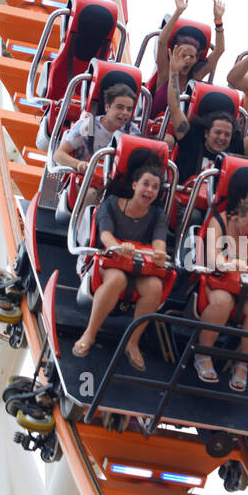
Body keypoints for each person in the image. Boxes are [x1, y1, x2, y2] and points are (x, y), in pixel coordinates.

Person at [72, 156, 169, 369]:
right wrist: (118, 246)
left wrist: (159, 253)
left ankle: (132, 343)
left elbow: (159, 242)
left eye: (155, 187)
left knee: (154, 286)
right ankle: (89, 334)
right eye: (145, 184)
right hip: (110, 261)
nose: (149, 190)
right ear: (134, 185)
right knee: (117, 279)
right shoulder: (111, 205)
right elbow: (105, 235)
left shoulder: (157, 215)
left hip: (140, 265)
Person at [165, 51, 248, 183]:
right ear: (206, 133)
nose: (222, 138)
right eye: (218, 132)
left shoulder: (235, 149)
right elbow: (175, 108)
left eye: (227, 134)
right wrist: (173, 72)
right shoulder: (190, 140)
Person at [193, 189, 248, 393]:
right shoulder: (220, 222)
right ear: (238, 216)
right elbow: (213, 258)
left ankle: (242, 363)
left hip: (247, 286)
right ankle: (203, 353)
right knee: (222, 301)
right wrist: (229, 263)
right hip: (219, 279)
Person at [149, 0, 226, 118]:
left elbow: (219, 51)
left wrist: (218, 22)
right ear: (174, 54)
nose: (187, 60)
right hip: (153, 129)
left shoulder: (195, 76)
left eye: (191, 57)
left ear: (197, 60)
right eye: (183, 55)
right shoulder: (165, 72)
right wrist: (178, 12)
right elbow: (162, 41)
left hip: (178, 134)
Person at [53, 81, 138, 173]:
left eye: (129, 109)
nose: (125, 112)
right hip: (83, 178)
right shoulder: (88, 126)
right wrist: (78, 164)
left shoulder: (133, 133)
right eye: (120, 107)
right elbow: (58, 155)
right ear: (107, 107)